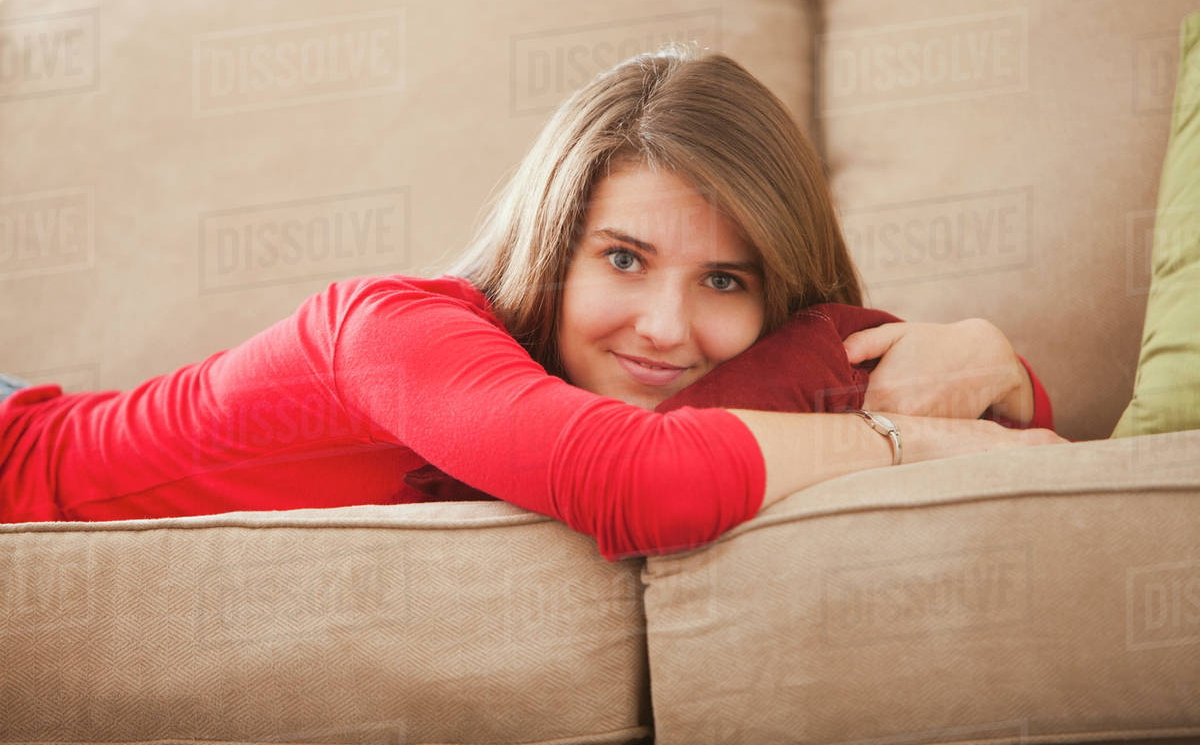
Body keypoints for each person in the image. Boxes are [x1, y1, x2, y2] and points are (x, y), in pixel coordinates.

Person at [0, 44, 1067, 561]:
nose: (662, 324)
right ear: (554, 250)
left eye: (726, 280)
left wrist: (995, 362)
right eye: (623, 257)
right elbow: (640, 482)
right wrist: (905, 441)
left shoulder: (697, 383)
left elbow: (1004, 444)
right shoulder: (393, 332)